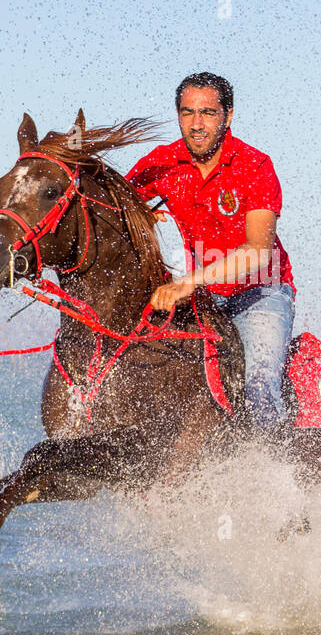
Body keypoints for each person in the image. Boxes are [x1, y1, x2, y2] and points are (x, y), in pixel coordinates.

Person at [125, 72, 297, 436]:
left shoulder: (255, 166)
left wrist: (188, 281)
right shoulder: (161, 163)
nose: (197, 124)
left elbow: (259, 252)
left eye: (208, 113)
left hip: (262, 293)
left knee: (260, 386)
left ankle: (275, 476)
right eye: (187, 113)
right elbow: (111, 208)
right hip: (204, 298)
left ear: (228, 116)